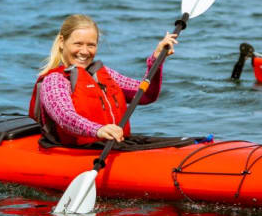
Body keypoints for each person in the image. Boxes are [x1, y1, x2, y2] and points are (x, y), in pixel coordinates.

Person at [29, 14, 177, 146]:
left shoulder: (103, 75)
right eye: (78, 44)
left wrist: (156, 62)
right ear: (62, 42)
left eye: (91, 45)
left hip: (112, 146)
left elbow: (146, 94)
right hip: (76, 151)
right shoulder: (54, 81)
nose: (85, 51)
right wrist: (98, 130)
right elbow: (65, 117)